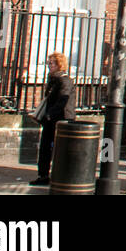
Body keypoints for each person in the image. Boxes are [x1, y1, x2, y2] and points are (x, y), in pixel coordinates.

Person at [30, 52, 77, 186]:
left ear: (59, 64)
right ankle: (43, 175)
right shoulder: (53, 79)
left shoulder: (64, 80)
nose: (49, 65)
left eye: (52, 63)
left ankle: (59, 176)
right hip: (50, 119)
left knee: (58, 149)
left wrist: (49, 114)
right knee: (45, 147)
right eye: (48, 62)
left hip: (62, 119)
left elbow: (63, 100)